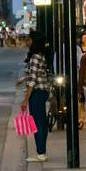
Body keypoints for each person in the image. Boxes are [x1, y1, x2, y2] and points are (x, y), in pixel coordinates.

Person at [17, 34, 53, 162]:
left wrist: (26, 99)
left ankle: (41, 152)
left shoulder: (35, 57)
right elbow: (38, 74)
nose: (28, 42)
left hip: (37, 92)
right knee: (42, 122)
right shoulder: (42, 56)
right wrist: (24, 79)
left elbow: (33, 80)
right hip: (43, 90)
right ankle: (42, 151)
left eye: (30, 39)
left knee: (38, 123)